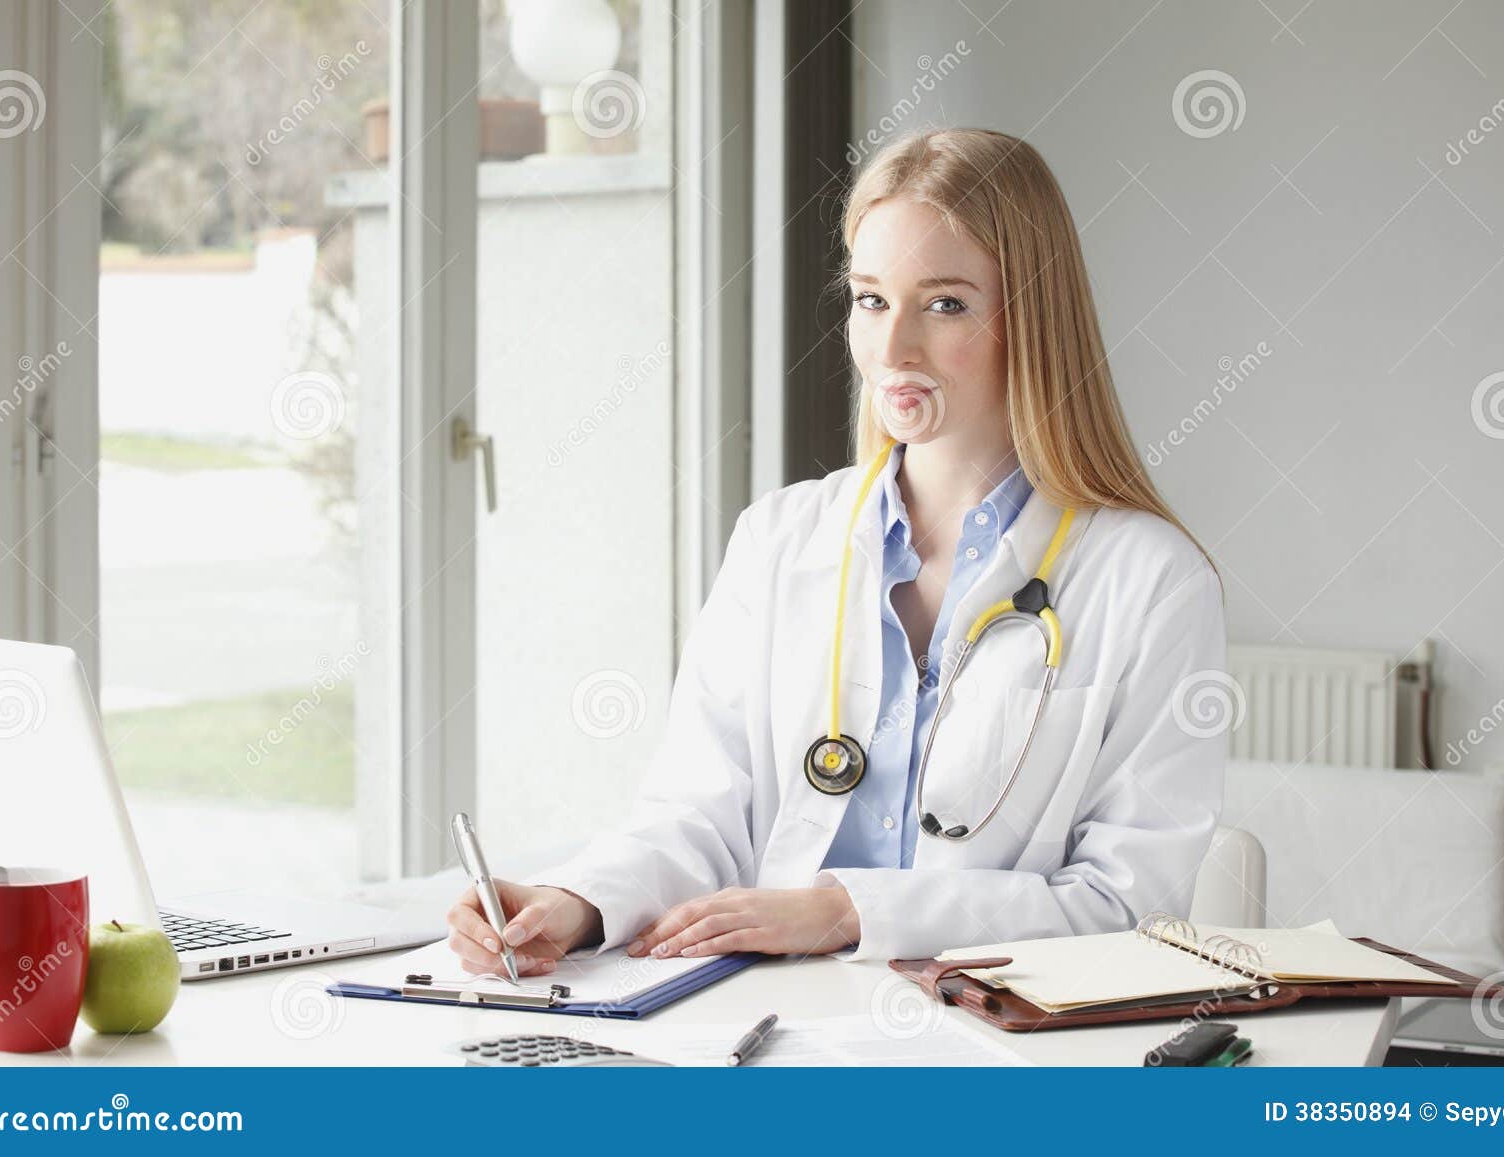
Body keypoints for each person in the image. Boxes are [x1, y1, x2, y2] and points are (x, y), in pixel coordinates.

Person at [447, 127, 1227, 974]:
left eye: (946, 303)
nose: (893, 351)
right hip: (771, 1025)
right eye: (871, 300)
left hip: (997, 1045)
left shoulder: (1150, 580)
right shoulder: (779, 540)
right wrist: (578, 903)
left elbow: (1128, 903)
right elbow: (698, 817)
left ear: (1032, 319)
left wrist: (846, 912)